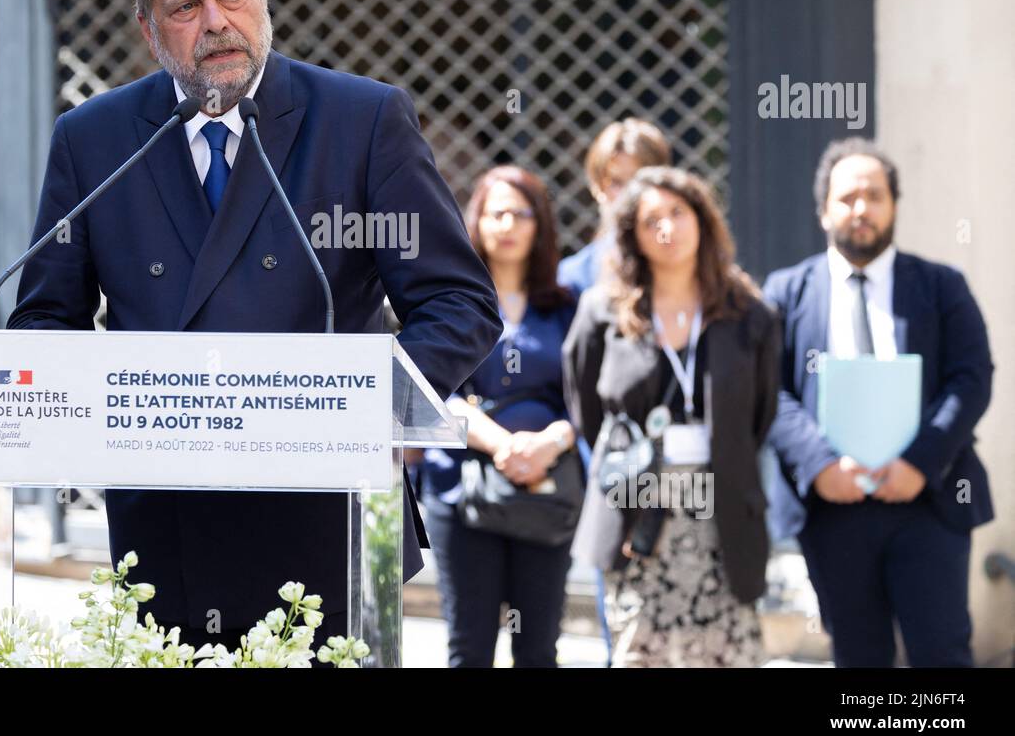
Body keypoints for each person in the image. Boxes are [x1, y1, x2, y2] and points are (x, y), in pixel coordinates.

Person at [6, 0, 502, 650]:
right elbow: (45, 321)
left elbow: (458, 303)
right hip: (167, 535)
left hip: (330, 526)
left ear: (262, 1)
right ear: (150, 30)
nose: (216, 22)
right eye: (186, 6)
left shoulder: (360, 120)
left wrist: (361, 403)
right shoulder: (94, 139)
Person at [763, 138, 993, 667]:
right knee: (858, 658)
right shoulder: (785, 293)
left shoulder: (941, 286)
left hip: (927, 499)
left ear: (894, 205)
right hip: (833, 507)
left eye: (874, 196)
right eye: (847, 198)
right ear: (824, 211)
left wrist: (921, 462)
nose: (861, 208)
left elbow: (971, 379)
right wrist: (819, 464)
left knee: (942, 654)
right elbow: (767, 392)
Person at [563, 167, 780, 667]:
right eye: (650, 220)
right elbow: (589, 411)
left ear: (702, 220)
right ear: (632, 237)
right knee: (640, 653)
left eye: (678, 213)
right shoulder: (603, 311)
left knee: (725, 653)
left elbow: (761, 413)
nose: (667, 228)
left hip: (722, 508)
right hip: (637, 512)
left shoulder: (749, 312)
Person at [420, 166, 581, 667]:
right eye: (497, 213)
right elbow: (431, 387)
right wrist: (501, 445)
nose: (508, 224)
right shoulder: (451, 302)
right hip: (461, 489)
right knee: (469, 648)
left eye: (521, 213)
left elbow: (587, 399)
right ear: (476, 222)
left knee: (538, 648)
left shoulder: (566, 307)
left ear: (541, 226)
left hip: (544, 490)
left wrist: (548, 443)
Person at [557, 117, 671, 299]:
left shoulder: (686, 265)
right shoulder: (572, 279)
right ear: (596, 186)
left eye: (640, 181)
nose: (629, 194)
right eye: (616, 183)